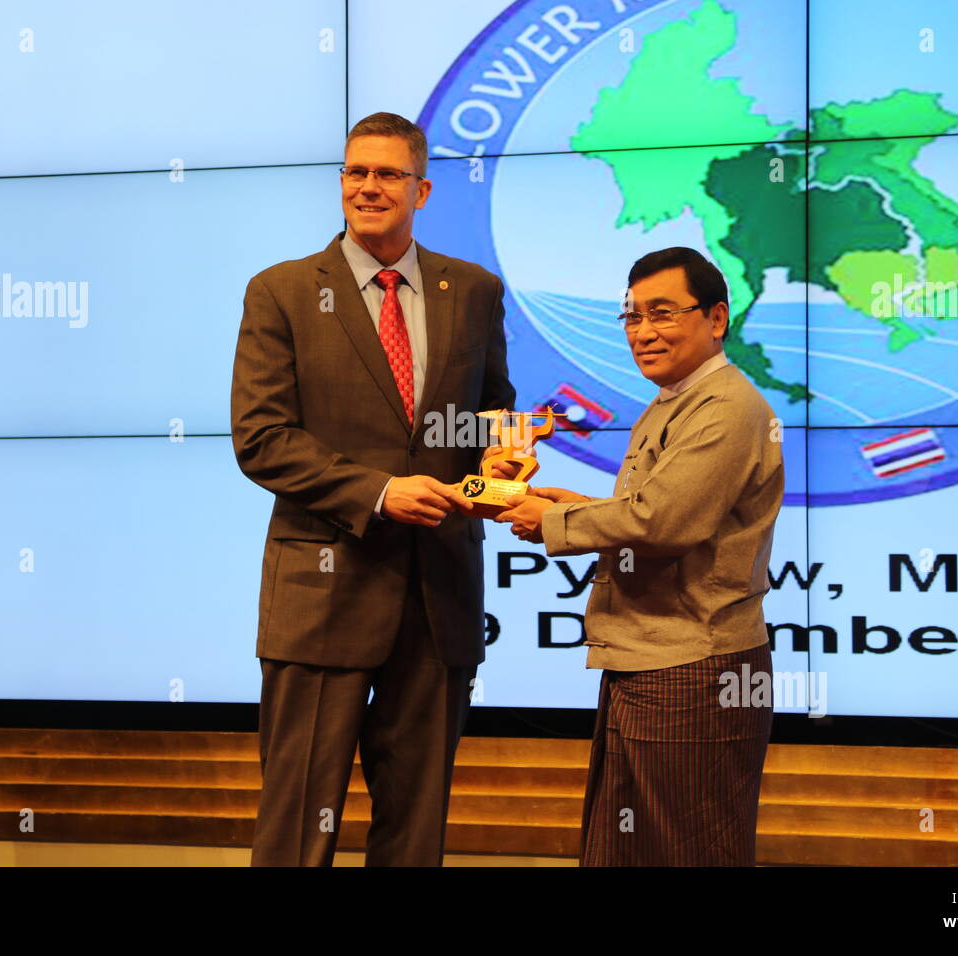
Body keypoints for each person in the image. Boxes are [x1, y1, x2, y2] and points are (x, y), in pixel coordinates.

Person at [231, 112, 515, 866]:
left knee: (415, 835)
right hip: (322, 594)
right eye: (356, 173)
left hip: (440, 596)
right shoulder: (283, 292)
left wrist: (501, 460)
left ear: (421, 189)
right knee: (298, 831)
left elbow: (482, 418)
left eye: (388, 174)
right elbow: (262, 440)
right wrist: (382, 493)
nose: (368, 187)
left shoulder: (476, 290)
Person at [494, 247, 783, 866]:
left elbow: (663, 521)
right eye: (630, 316)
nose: (643, 332)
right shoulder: (673, 399)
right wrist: (573, 504)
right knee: (624, 850)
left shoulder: (727, 408)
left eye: (662, 313)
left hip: (696, 668)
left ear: (716, 319)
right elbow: (655, 506)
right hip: (651, 658)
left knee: (688, 852)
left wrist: (553, 520)